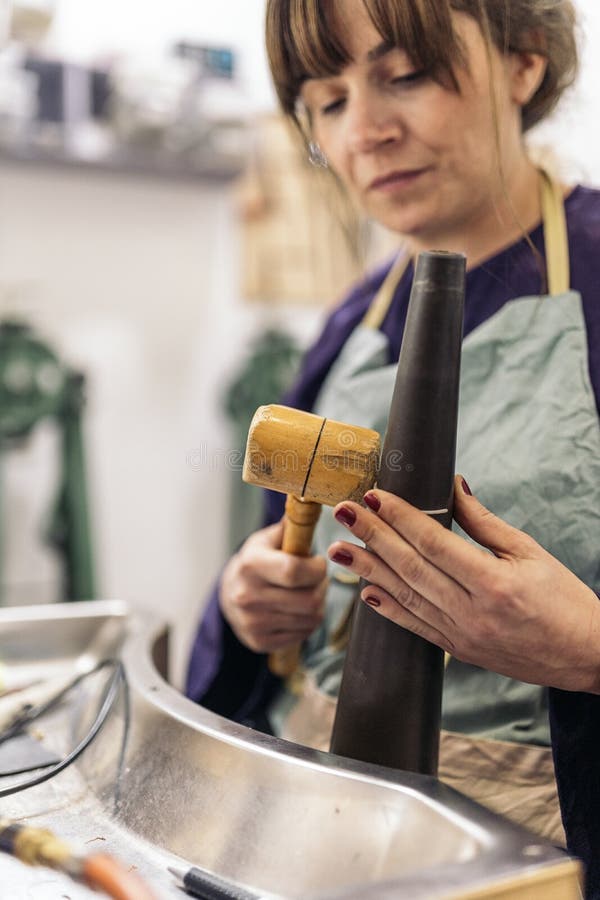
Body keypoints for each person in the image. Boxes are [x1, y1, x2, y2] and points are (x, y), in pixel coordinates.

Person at [187, 0, 600, 892]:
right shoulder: (355, 320)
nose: (366, 131)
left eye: (404, 74)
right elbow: (275, 565)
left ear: (525, 60)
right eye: (327, 101)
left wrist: (586, 648)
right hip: (318, 822)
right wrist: (253, 603)